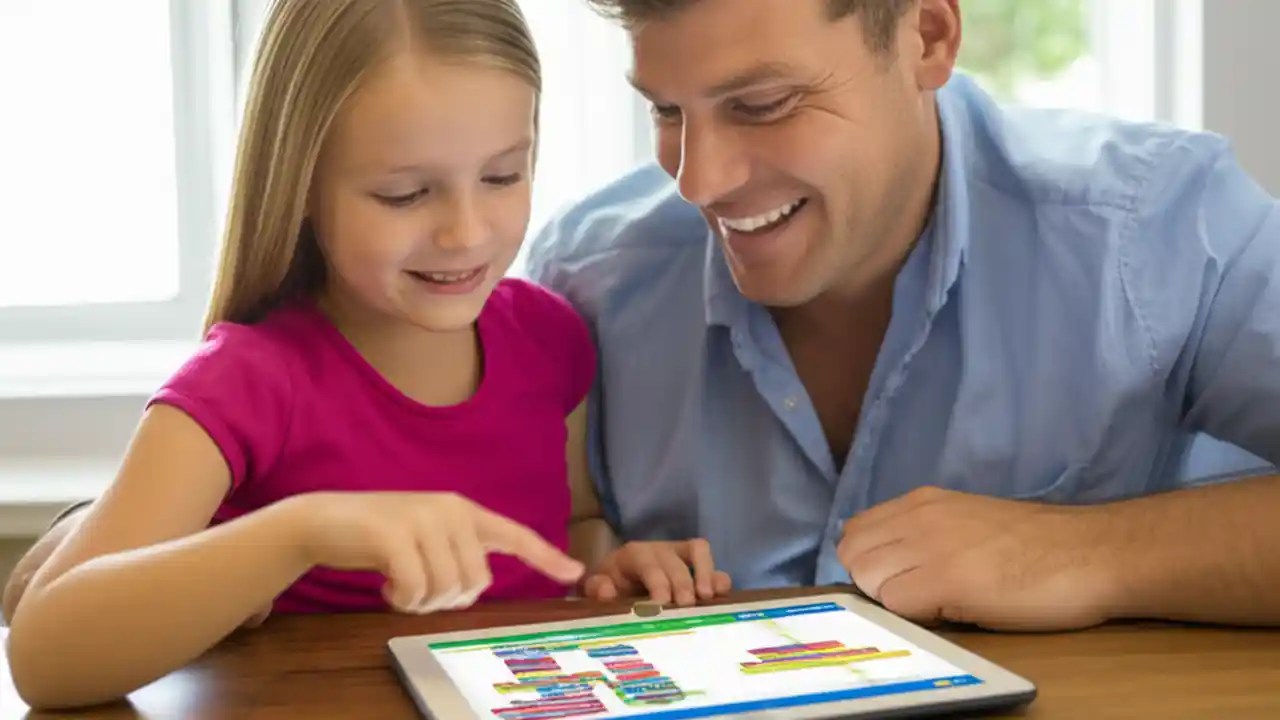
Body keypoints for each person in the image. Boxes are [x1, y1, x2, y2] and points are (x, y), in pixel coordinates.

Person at [5, 0, 727, 710]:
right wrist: (299, 533)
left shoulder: (550, 338)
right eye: (404, 194)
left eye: (503, 176)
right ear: (302, 187)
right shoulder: (242, 384)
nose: (466, 233)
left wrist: (606, 568)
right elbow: (42, 659)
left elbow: (571, 525)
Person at [525, 0, 1280, 631]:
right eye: (665, 110)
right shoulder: (588, 281)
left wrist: (1084, 553)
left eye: (762, 105)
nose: (698, 180)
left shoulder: (1161, 228)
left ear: (928, 36)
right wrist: (592, 574)